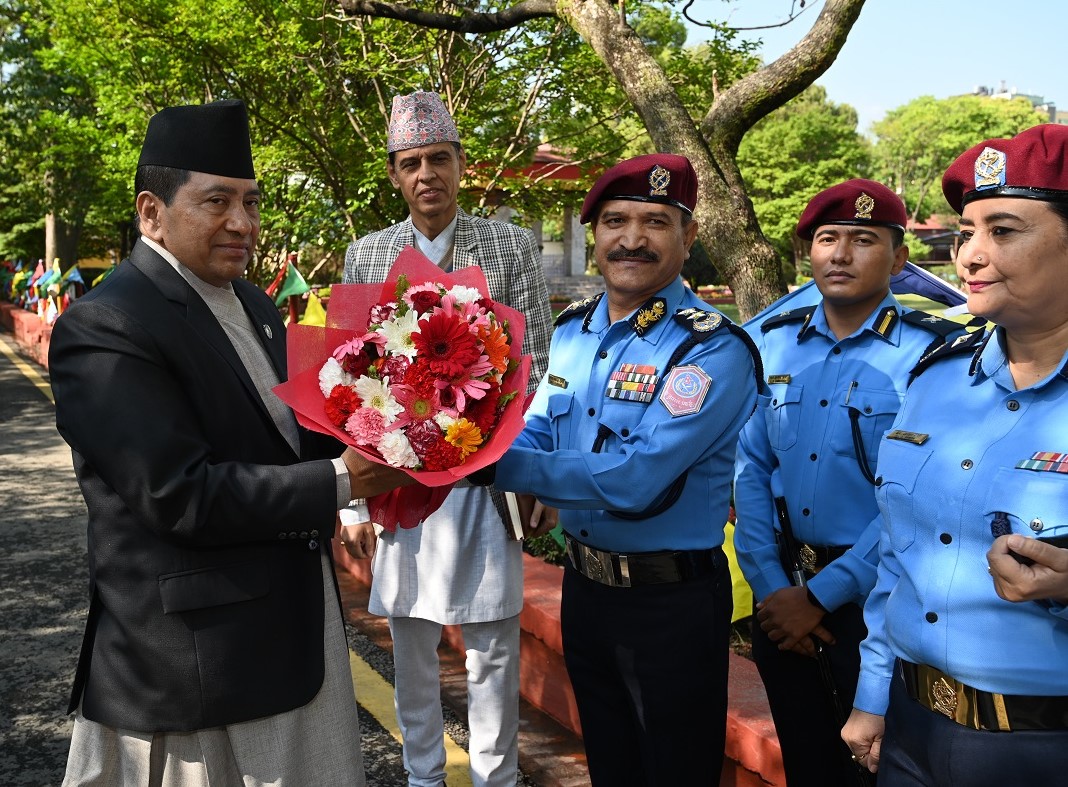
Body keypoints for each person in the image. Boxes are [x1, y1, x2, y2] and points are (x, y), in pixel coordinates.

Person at [49, 99, 410, 786]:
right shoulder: (107, 323)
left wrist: (400, 429)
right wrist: (342, 481)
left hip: (292, 633)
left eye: (251, 201)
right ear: (151, 212)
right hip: (197, 665)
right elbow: (176, 493)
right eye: (217, 201)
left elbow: (288, 436)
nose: (243, 223)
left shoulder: (253, 303)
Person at [489, 153, 761, 785]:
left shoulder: (710, 348)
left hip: (669, 606)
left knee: (674, 773)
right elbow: (539, 425)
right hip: (585, 592)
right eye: (615, 221)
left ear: (688, 236)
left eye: (655, 222)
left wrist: (491, 468)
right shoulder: (574, 331)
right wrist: (472, 444)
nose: (631, 239)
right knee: (611, 767)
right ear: (595, 234)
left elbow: (635, 478)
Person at [841, 123, 1068, 784]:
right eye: (966, 232)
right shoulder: (936, 377)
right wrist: (872, 694)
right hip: (913, 729)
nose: (969, 255)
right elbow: (898, 553)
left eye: (1003, 230)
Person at [340, 90, 552, 787]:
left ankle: (497, 779)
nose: (426, 174)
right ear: (394, 175)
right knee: (412, 645)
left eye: (438, 159)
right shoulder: (369, 254)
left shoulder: (508, 245)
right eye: (411, 163)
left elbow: (540, 364)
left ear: (461, 163)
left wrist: (535, 475)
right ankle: (423, 776)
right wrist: (352, 502)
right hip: (401, 483)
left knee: (492, 649)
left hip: (488, 479)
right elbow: (349, 382)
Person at [733, 179, 965, 785]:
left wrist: (819, 597)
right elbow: (751, 469)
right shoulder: (771, 344)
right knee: (807, 763)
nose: (840, 254)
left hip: (878, 607)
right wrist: (772, 589)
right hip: (782, 597)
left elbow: (914, 498)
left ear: (899, 257)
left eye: (863, 240)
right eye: (827, 238)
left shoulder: (933, 356)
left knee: (878, 769)